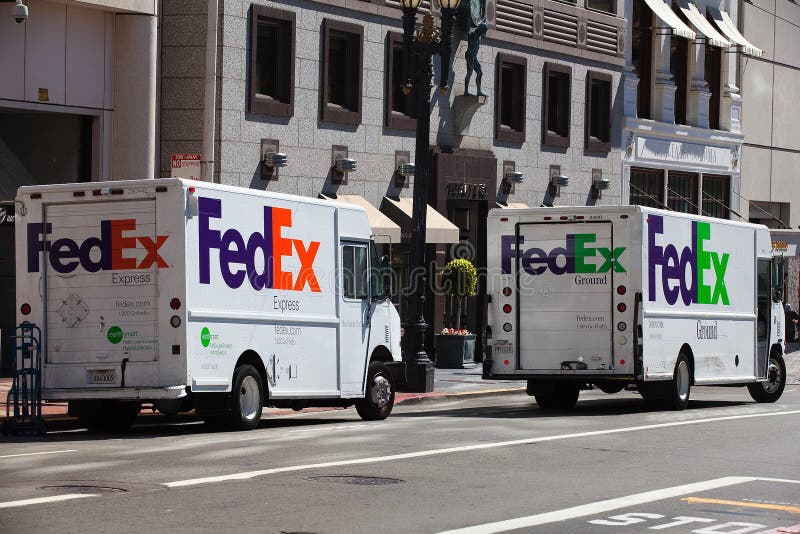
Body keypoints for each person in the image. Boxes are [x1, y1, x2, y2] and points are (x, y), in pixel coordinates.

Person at [464, 20, 487, 97]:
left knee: (480, 72)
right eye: (482, 32)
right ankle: (466, 91)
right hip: (470, 56)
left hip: (474, 57)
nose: (483, 34)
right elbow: (467, 30)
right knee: (469, 73)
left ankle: (479, 91)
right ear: (480, 29)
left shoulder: (479, 36)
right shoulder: (472, 33)